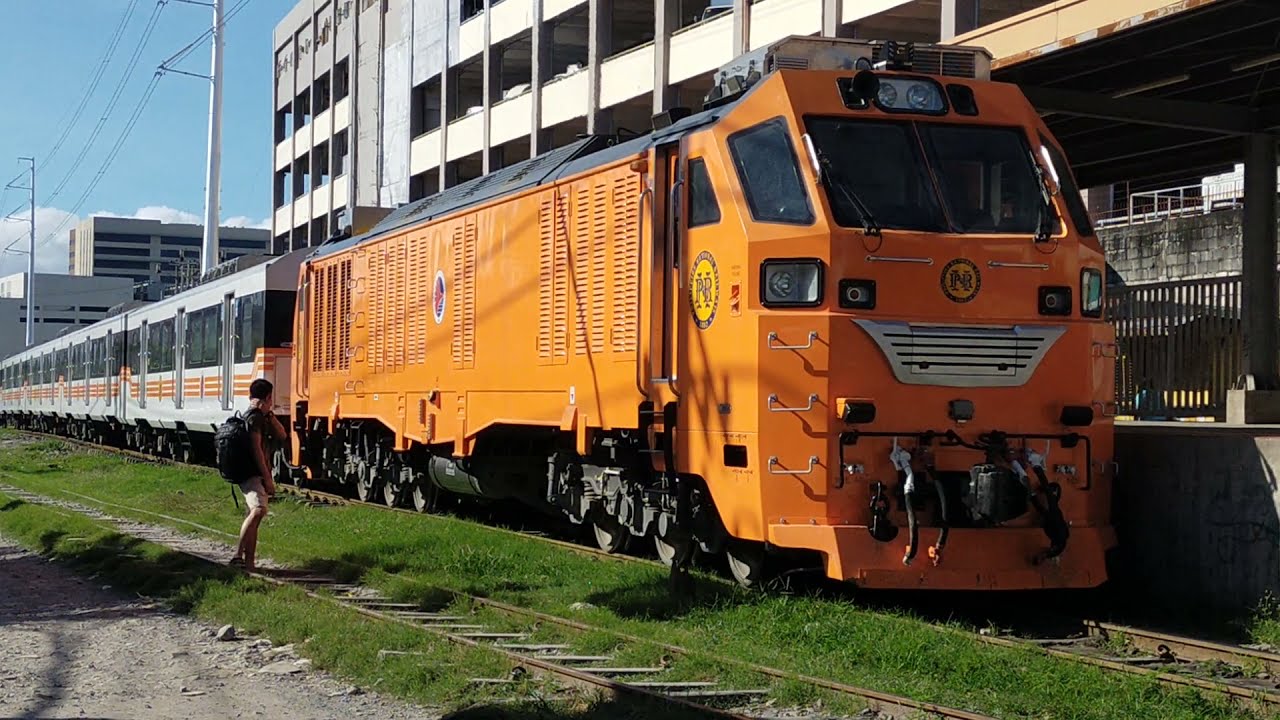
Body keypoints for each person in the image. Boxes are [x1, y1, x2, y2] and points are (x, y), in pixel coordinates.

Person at [230, 378, 287, 571]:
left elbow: (282, 435)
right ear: (269, 397)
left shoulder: (261, 416)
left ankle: (249, 563)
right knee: (258, 510)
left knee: (254, 516)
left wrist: (269, 414)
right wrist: (268, 479)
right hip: (252, 473)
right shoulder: (254, 418)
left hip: (248, 472)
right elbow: (257, 451)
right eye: (271, 399)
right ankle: (238, 555)